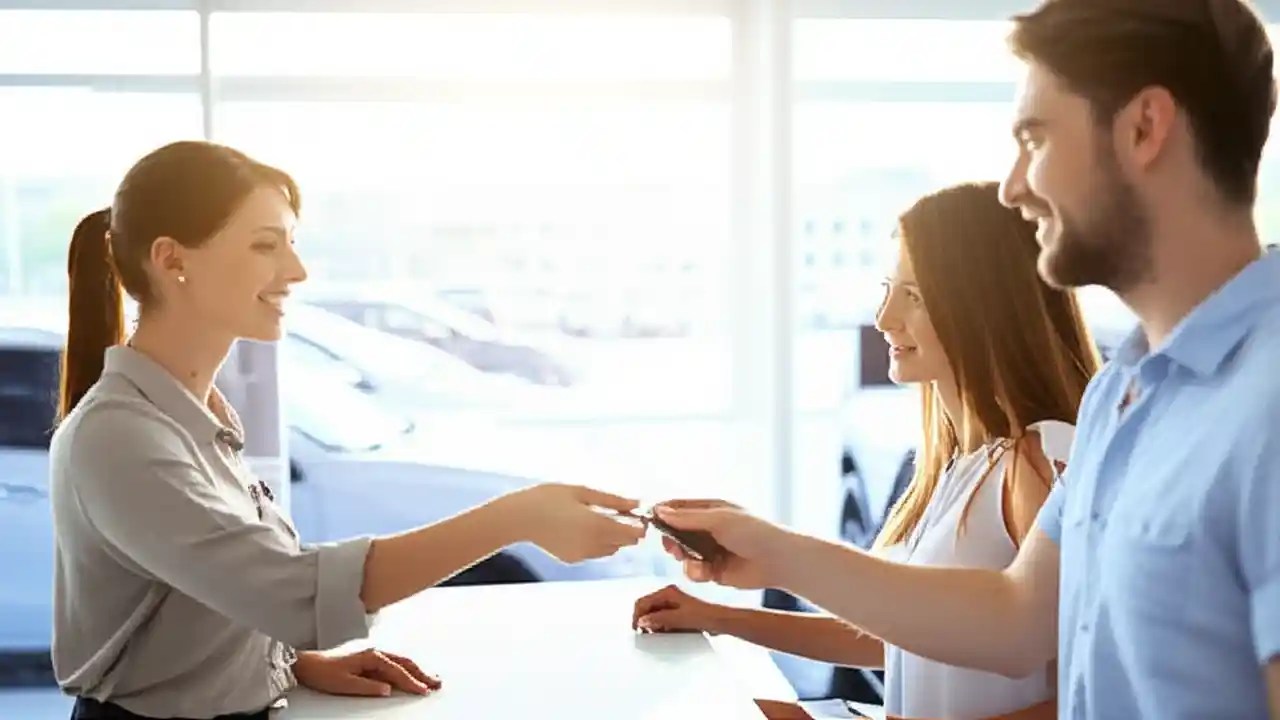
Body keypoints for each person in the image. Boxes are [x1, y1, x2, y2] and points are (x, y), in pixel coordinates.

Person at [643, 1, 1280, 718]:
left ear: (1144, 128)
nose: (1015, 186)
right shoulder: (1121, 397)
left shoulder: (1267, 403)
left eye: (1034, 138)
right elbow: (1014, 620)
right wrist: (770, 553)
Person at [49, 140, 647, 720]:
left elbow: (210, 597)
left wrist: (289, 663)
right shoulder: (120, 437)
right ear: (172, 259)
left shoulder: (194, 413)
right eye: (266, 246)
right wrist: (519, 517)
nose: (297, 270)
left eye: (291, 244)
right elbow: (291, 593)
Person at [634, 182, 1099, 720]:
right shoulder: (963, 465)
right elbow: (910, 635)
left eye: (914, 295)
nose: (883, 317)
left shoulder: (1042, 459)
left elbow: (1078, 696)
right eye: (888, 288)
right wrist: (720, 617)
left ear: (985, 306)